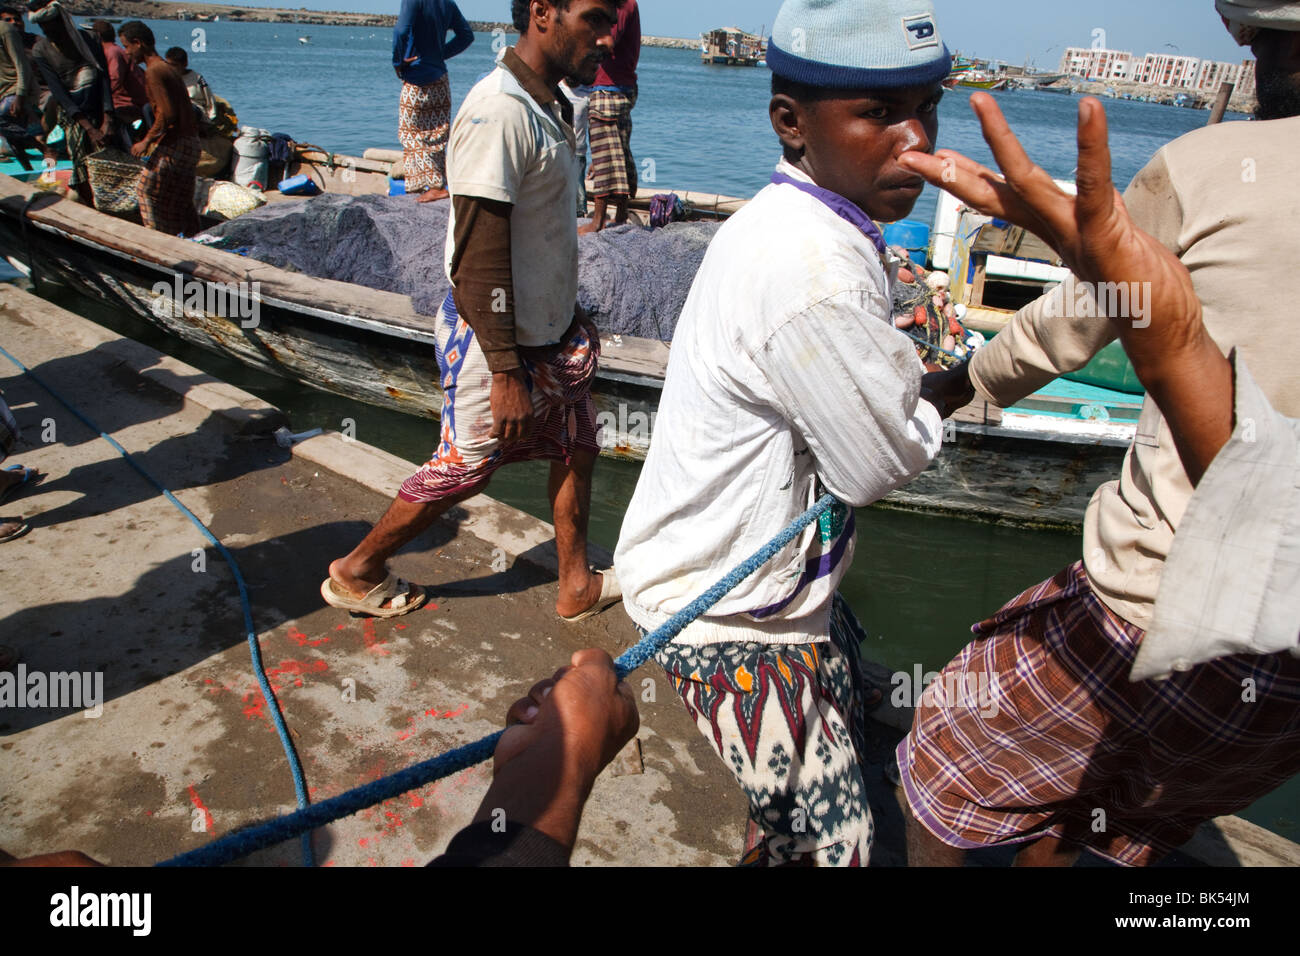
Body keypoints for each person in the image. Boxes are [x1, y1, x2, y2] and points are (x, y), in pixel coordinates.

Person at [896, 0, 1300, 867]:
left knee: (939, 765)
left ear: (1254, 42)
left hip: (1157, 609)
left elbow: (1094, 309)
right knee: (1118, 821)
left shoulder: (1211, 165)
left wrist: (959, 381)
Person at [613, 0, 961, 866]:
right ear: (791, 123)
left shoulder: (802, 224)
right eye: (879, 114)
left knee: (825, 758)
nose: (914, 140)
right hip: (722, 609)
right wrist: (972, 382)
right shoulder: (809, 270)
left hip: (763, 581)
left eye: (928, 108)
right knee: (837, 842)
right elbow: (878, 462)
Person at [322, 0, 627, 623]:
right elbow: (477, 259)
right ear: (543, 12)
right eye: (593, 19)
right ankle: (357, 571)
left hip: (549, 334)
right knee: (464, 468)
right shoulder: (499, 112)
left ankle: (574, 583)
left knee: (577, 445)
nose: (606, 38)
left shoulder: (553, 104)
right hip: (497, 339)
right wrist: (507, 370)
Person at [28, 0, 115, 204]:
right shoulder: (41, 50)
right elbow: (59, 92)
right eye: (43, 27)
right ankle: (86, 202)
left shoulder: (89, 38)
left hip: (100, 109)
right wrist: (89, 128)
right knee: (77, 162)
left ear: (62, 21)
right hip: (73, 114)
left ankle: (108, 205)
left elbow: (104, 78)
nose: (49, 31)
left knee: (109, 163)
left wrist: (108, 119)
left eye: (52, 25)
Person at [119, 21, 199, 236]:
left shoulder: (154, 71)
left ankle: (158, 242)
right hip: (191, 143)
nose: (127, 53)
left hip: (178, 143)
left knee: (146, 191)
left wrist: (146, 140)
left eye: (127, 46)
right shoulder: (167, 67)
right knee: (181, 199)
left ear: (138, 43)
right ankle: (195, 238)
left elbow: (167, 113)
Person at [392, 0, 473, 203]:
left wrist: (397, 61)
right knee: (436, 136)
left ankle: (436, 186)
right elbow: (466, 36)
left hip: (417, 79)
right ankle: (419, 185)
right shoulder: (447, 3)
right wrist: (439, 55)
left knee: (409, 133)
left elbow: (401, 30)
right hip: (440, 79)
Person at [579, 0, 637, 232]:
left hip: (609, 87)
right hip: (619, 86)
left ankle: (598, 220)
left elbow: (607, 41)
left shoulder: (621, 4)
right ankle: (620, 215)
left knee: (604, 154)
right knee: (619, 150)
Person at [89, 19, 145, 127]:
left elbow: (115, 79)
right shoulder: (113, 50)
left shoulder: (112, 52)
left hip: (127, 104)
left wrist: (97, 96)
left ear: (98, 35)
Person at [0, 5, 36, 168]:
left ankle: (43, 147)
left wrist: (20, 95)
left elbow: (22, 65)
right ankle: (28, 171)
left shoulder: (6, 31)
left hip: (16, 90)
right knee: (16, 144)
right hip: (5, 91)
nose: (14, 22)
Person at [162, 45, 214, 123]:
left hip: (194, 110)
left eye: (174, 65)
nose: (171, 68)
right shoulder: (165, 78)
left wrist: (210, 119)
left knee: (188, 108)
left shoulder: (197, 78)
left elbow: (209, 100)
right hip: (173, 109)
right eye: (168, 65)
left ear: (185, 64)